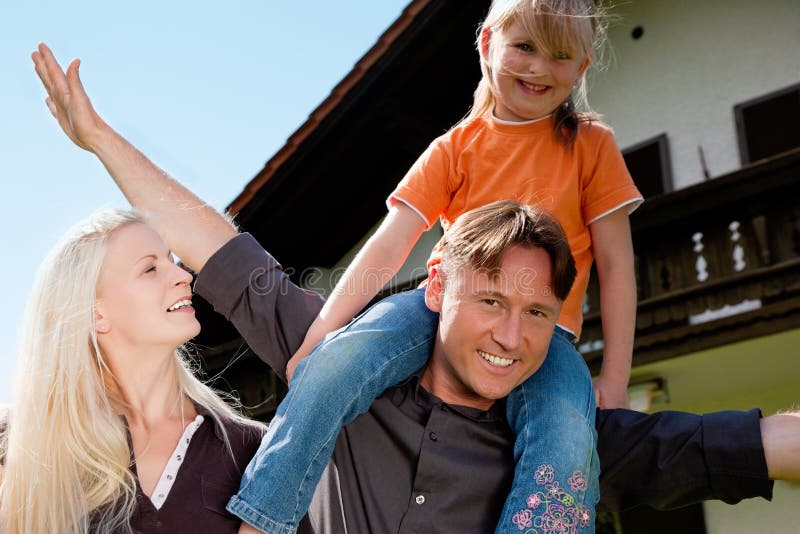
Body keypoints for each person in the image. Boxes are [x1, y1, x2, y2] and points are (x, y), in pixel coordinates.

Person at [31, 43, 800, 534]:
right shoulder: (342, 364)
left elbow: (741, 445)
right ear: (437, 286)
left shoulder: (561, 442)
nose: (511, 336)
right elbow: (216, 246)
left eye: (539, 314)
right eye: (492, 301)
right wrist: (101, 139)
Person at [233, 0, 637, 531]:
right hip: (441, 307)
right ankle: (262, 518)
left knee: (565, 439)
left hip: (546, 332)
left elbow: (616, 264)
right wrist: (323, 335)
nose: (539, 67)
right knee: (331, 367)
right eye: (525, 47)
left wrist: (615, 378)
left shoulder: (590, 145)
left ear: (581, 68)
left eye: (560, 56)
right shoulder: (454, 148)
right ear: (489, 45)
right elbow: (388, 245)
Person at [0, 210, 265, 534]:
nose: (183, 275)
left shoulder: (254, 451)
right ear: (96, 315)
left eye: (172, 260)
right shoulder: (19, 449)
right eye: (150, 268)